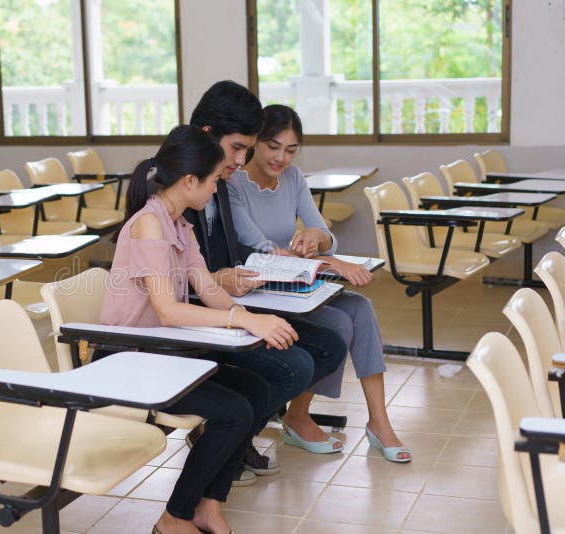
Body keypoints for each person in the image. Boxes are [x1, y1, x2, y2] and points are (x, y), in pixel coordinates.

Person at [101, 124, 309, 534]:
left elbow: (209, 290)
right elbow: (168, 311)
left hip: (163, 352)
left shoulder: (180, 224)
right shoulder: (149, 225)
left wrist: (250, 318)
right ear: (190, 180)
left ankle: (209, 505)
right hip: (128, 358)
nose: (217, 190)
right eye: (214, 180)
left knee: (258, 391)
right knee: (233, 412)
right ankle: (173, 516)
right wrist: (244, 319)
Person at [226, 104, 412, 462]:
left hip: (294, 283)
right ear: (255, 143)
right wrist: (331, 262)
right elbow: (264, 250)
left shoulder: (293, 178)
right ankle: (297, 416)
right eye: (273, 146)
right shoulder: (235, 185)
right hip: (258, 287)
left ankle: (379, 421)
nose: (281, 157)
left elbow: (327, 234)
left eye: (291, 150)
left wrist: (315, 238)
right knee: (341, 320)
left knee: (360, 306)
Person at [186, 81, 348, 454]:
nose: (241, 161)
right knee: (295, 364)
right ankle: (227, 446)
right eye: (239, 148)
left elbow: (239, 246)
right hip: (197, 314)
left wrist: (286, 261)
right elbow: (159, 283)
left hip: (226, 301)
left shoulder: (220, 183)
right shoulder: (176, 187)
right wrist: (218, 283)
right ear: (209, 135)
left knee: (329, 346)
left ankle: (231, 441)